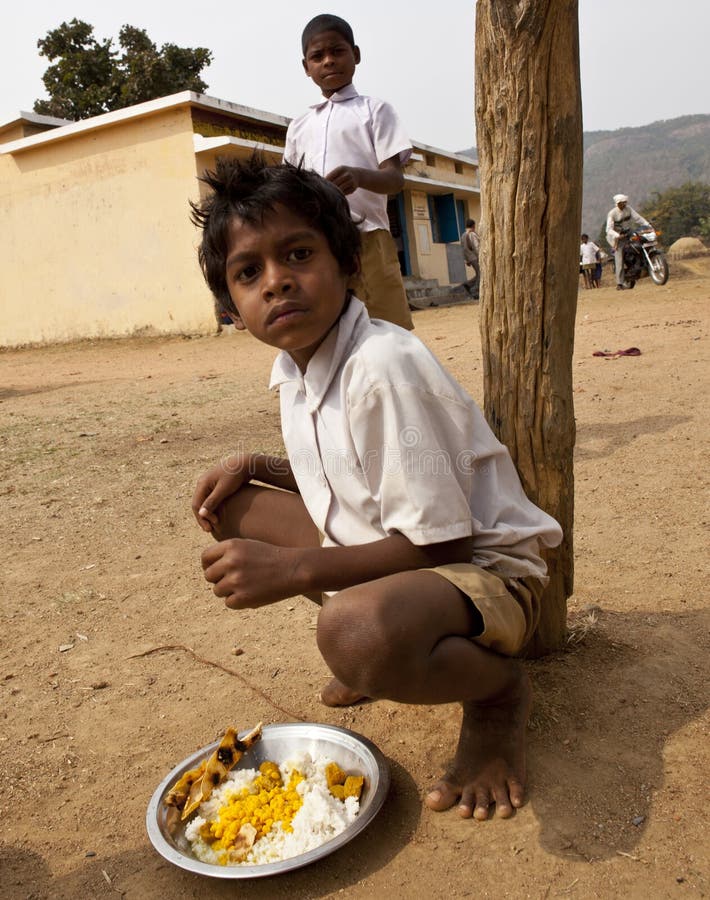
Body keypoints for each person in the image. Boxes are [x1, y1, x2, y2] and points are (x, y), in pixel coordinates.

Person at [189, 155, 563, 821]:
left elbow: (443, 542)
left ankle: (495, 696)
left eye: (298, 254)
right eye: (249, 272)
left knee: (353, 634)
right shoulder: (295, 369)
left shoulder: (383, 365)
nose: (277, 282)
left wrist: (295, 566)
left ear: (348, 264)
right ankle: (387, 642)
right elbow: (343, 472)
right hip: (412, 554)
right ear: (230, 304)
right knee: (232, 506)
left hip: (487, 572)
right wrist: (255, 463)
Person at [283, 13, 414, 331]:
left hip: (369, 240)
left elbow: (395, 179)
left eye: (337, 51)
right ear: (306, 67)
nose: (328, 61)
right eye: (318, 56)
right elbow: (289, 190)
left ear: (355, 54)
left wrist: (359, 176)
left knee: (389, 330)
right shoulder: (300, 126)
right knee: (330, 331)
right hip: (320, 245)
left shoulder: (375, 111)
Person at [605, 194, 651, 290]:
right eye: (621, 203)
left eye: (625, 203)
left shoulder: (628, 209)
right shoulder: (612, 213)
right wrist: (617, 235)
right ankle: (619, 283)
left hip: (627, 233)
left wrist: (647, 224)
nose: (623, 205)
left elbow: (638, 218)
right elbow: (608, 229)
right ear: (617, 203)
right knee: (619, 258)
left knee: (639, 244)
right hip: (615, 237)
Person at [461, 219, 480, 298]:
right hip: (475, 257)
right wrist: (480, 256)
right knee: (481, 273)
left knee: (479, 273)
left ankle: (468, 284)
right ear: (473, 226)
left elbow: (463, 249)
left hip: (469, 258)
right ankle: (475, 290)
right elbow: (476, 246)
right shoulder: (472, 234)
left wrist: (466, 260)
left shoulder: (463, 235)